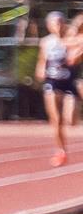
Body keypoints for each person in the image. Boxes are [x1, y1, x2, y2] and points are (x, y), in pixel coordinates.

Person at [36, 12, 73, 168]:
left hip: (69, 82)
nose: (58, 25)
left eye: (60, 22)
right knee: (55, 119)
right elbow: (42, 60)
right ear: (48, 25)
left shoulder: (70, 40)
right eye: (54, 23)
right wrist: (40, 71)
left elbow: (75, 58)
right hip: (53, 82)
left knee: (70, 119)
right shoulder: (46, 42)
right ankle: (60, 151)